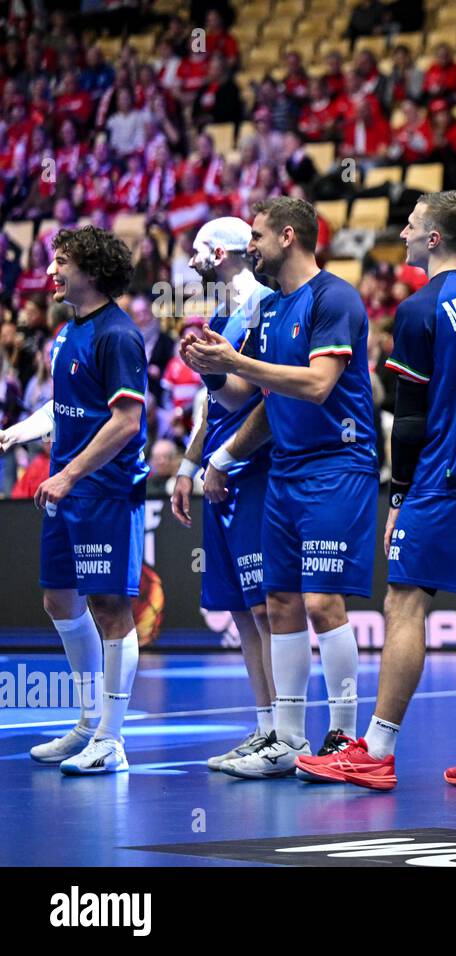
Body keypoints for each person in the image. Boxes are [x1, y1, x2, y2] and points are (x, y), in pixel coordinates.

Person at [295, 191, 456, 791]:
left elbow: (412, 415)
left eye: (411, 224)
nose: (401, 232)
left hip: (447, 475)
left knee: (405, 603)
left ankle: (375, 750)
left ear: (433, 239)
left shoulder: (422, 309)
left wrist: (398, 496)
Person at [183, 196, 378, 778]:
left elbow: (317, 385)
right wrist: (215, 380)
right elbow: (259, 402)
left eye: (259, 237)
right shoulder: (270, 311)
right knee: (281, 602)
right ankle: (288, 739)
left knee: (322, 601)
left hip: (337, 465)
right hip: (287, 469)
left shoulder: (333, 297)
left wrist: (238, 364)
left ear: (289, 236)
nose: (252, 247)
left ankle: (343, 736)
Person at [5, 227, 147, 773]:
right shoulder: (68, 332)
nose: (51, 272)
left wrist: (67, 476)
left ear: (91, 269)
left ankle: (111, 739)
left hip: (104, 490)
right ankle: (89, 722)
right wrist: (23, 430)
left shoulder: (118, 335)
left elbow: (126, 422)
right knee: (59, 601)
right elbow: (65, 406)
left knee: (111, 608)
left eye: (61, 262)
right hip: (68, 489)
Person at [168, 217, 276, 771]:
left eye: (195, 250)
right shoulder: (219, 313)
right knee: (240, 611)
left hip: (251, 470)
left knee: (264, 607)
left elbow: (255, 400)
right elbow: (212, 404)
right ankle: (263, 728)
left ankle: (287, 732)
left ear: (218, 251)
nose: (188, 260)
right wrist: (188, 464)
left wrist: (224, 457)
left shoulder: (261, 304)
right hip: (217, 473)